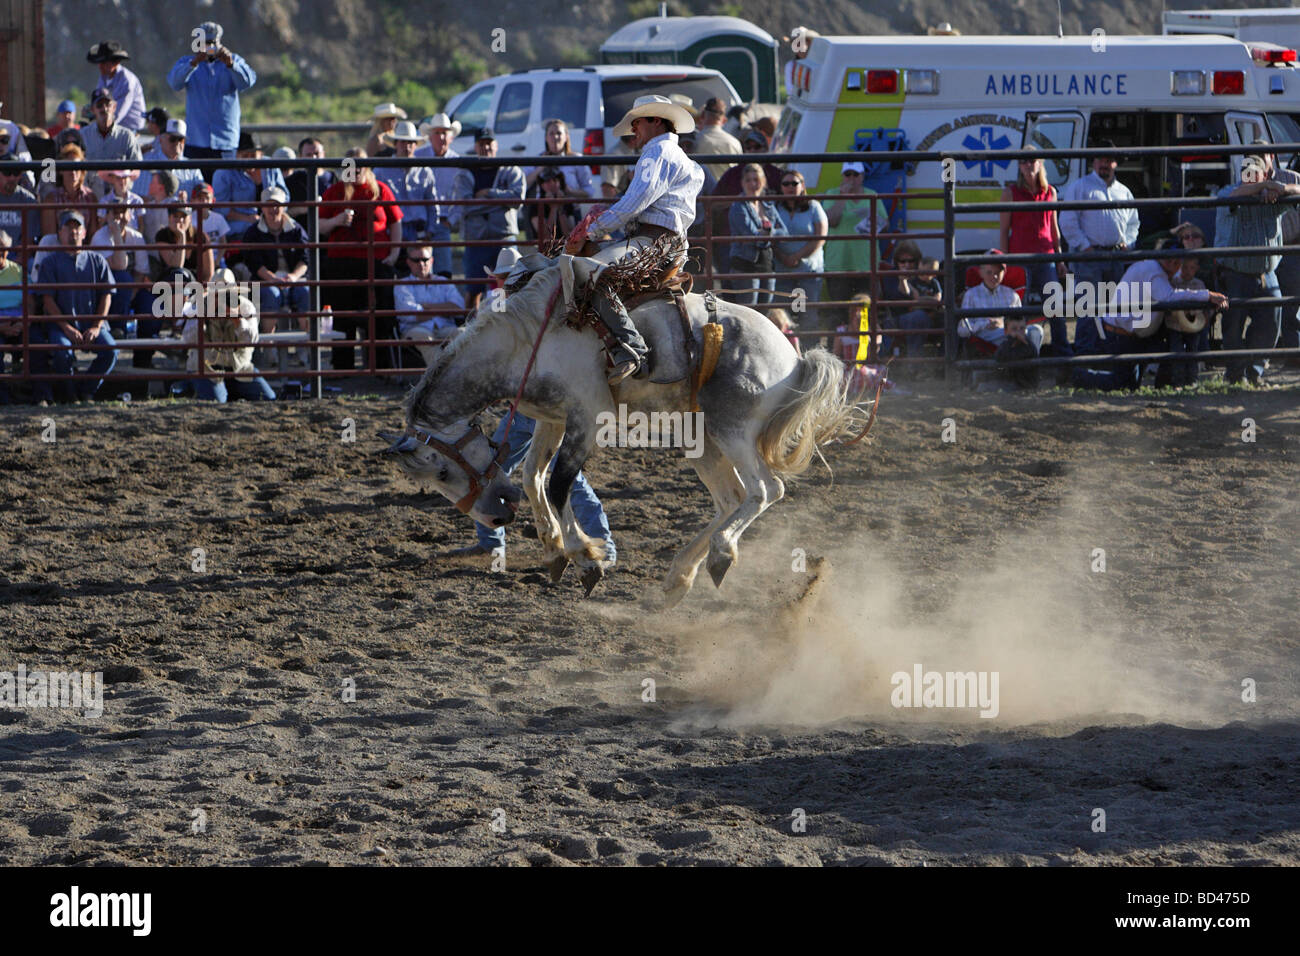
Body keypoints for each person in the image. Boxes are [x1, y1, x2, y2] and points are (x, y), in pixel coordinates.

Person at [443, 266, 616, 565]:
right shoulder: (517, 308)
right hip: (526, 407)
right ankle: (492, 545)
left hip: (543, 406)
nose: (503, 281)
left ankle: (602, 544)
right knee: (511, 471)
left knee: (560, 476)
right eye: (501, 276)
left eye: (506, 275)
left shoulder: (525, 310)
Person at [567, 95, 704, 383]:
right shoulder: (675, 156)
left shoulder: (658, 153)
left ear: (655, 121)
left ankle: (631, 349)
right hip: (663, 243)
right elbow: (636, 203)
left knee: (589, 272)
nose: (634, 131)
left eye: (637, 123)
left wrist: (591, 230)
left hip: (653, 245)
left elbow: (633, 205)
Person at [1073, 239, 1227, 391]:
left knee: (1167, 342)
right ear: (1161, 257)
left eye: (1176, 260)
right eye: (1169, 259)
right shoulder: (1154, 272)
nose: (1172, 263)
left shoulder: (1152, 267)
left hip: (1132, 333)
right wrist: (1207, 295)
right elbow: (1168, 297)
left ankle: (1166, 384)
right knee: (1122, 384)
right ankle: (1080, 376)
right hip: (1123, 335)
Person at [1214, 153, 1300, 386]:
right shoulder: (1230, 192)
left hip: (1265, 272)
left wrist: (1279, 189)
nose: (1250, 177)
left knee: (1270, 324)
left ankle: (1253, 373)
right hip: (1235, 272)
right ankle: (1234, 376)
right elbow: (1233, 196)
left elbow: (1299, 190)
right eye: (1247, 172)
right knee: (1232, 326)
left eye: (1256, 173)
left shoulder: (1271, 198)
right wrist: (1264, 186)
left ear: (1265, 172)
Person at [319, 148, 404, 371]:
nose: (355, 171)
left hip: (376, 261)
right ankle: (343, 367)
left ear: (367, 167)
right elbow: (319, 225)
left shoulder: (381, 190)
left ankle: (382, 367)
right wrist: (336, 220)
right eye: (350, 166)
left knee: (381, 315)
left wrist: (394, 253)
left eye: (359, 166)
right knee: (343, 315)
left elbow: (395, 223)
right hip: (342, 261)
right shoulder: (335, 191)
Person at [33, 210, 117, 403]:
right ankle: (71, 393)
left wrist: (97, 325)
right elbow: (47, 300)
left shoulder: (97, 260)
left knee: (111, 349)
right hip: (62, 325)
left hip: (91, 323)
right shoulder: (50, 262)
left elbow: (107, 295)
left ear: (84, 232)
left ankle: (86, 390)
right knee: (62, 351)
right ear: (59, 233)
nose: (73, 232)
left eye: (77, 227)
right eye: (68, 228)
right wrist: (66, 327)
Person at [1000, 149, 1068, 352]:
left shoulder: (1051, 192)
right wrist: (1005, 262)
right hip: (1019, 257)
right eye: (1023, 162)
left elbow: (1054, 229)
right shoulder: (1010, 192)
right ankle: (1017, 350)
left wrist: (1060, 259)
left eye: (1032, 160)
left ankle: (1062, 350)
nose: (1028, 165)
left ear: (1040, 164)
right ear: (1019, 167)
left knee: (1055, 305)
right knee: (1019, 308)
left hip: (1046, 256)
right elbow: (1004, 230)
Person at [1058, 141, 1139, 312]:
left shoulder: (1124, 192)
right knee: (1089, 312)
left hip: (1116, 257)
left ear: (1115, 163)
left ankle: (1108, 339)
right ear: (1093, 162)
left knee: (1114, 311)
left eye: (1109, 160)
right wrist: (1084, 246)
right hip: (1088, 259)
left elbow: (1133, 223)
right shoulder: (1079, 187)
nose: (1104, 164)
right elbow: (1067, 221)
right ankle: (1088, 340)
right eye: (1100, 159)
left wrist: (1128, 243)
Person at [166, 21, 257, 161]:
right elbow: (174, 83)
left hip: (225, 142)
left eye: (212, 42)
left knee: (224, 181)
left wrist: (231, 64)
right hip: (196, 141)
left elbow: (247, 83)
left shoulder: (233, 60)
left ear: (219, 42)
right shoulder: (188, 62)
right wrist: (194, 62)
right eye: (205, 42)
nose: (209, 47)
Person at [183, 269, 275, 402]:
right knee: (217, 403)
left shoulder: (245, 306)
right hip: (207, 369)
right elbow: (187, 339)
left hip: (240, 368)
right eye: (218, 295)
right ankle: (221, 392)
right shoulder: (199, 305)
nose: (222, 299)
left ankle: (228, 392)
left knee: (268, 399)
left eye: (226, 295)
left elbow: (252, 340)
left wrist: (237, 319)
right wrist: (203, 316)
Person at [456, 129, 524, 309]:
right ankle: (472, 329)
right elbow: (464, 205)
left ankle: (503, 322)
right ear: (476, 146)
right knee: (473, 289)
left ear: (496, 145)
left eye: (489, 143)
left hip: (504, 238)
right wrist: (500, 202)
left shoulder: (510, 169)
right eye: (482, 144)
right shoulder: (465, 172)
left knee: (506, 287)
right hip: (477, 238)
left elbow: (518, 199)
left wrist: (487, 194)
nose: (486, 147)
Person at [823, 161, 889, 331]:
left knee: (865, 313)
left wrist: (871, 216)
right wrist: (842, 197)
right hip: (838, 264)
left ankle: (865, 354)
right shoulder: (832, 193)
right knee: (839, 314)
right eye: (848, 174)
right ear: (843, 176)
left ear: (862, 177)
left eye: (855, 174)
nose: (851, 179)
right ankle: (836, 354)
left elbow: (885, 225)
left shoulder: (871, 194)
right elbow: (831, 221)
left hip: (865, 265)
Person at [241, 186, 310, 342]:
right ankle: (269, 347)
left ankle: (306, 349)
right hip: (266, 279)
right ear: (262, 207)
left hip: (294, 278)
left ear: (283, 206)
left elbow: (306, 259)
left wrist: (292, 277)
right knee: (271, 295)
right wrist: (273, 279)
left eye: (276, 204)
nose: (273, 209)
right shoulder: (253, 233)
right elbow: (254, 263)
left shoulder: (296, 229)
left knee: (305, 293)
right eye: (268, 205)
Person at [958, 249, 1041, 358]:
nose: (994, 276)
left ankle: (1030, 365)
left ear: (1005, 273)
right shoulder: (971, 295)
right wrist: (985, 324)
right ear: (980, 272)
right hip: (985, 336)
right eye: (989, 272)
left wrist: (1006, 325)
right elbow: (962, 330)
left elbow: (1021, 321)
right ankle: (1024, 365)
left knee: (1036, 330)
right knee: (1015, 335)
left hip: (1009, 332)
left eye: (998, 272)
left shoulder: (1012, 295)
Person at [395, 243, 466, 365]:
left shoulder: (443, 281)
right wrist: (444, 309)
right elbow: (410, 314)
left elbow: (459, 307)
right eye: (416, 260)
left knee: (464, 334)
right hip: (415, 329)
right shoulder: (402, 284)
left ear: (431, 260)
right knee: (425, 337)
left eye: (425, 259)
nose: (421, 264)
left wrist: (426, 306)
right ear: (408, 262)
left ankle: (463, 376)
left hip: (444, 327)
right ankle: (440, 378)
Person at [726, 163, 787, 305]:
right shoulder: (738, 206)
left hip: (766, 262)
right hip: (745, 264)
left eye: (756, 179)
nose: (753, 184)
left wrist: (767, 232)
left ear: (763, 182)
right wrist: (768, 234)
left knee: (766, 307)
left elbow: (784, 233)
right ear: (742, 183)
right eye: (748, 180)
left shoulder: (768, 205)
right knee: (749, 308)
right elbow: (752, 237)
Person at [774, 167, 827, 326]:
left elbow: (821, 236)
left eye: (794, 183)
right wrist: (783, 257)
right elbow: (769, 236)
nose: (790, 187)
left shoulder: (813, 207)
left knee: (808, 314)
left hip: (808, 270)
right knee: (781, 315)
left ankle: (808, 347)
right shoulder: (775, 208)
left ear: (802, 186)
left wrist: (796, 257)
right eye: (786, 183)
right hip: (782, 269)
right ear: (781, 187)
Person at [90, 194, 150, 335]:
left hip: (129, 291)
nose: (119, 217)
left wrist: (130, 296)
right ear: (107, 216)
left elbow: (141, 272)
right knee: (122, 277)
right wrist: (116, 234)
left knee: (149, 301)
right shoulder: (100, 237)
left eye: (123, 212)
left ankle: (145, 348)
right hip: (105, 292)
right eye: (115, 213)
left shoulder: (137, 237)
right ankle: (117, 328)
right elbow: (120, 264)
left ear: (129, 215)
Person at [413, 114, 464, 278]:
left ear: (451, 137)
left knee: (443, 273)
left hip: (442, 222)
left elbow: (462, 196)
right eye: (437, 133)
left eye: (445, 133)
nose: (441, 137)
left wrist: (451, 220)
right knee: (417, 269)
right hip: (419, 222)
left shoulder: (458, 162)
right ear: (430, 136)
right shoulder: (417, 157)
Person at [878, 238, 942, 365]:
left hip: (929, 314)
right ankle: (914, 366)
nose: (907, 264)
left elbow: (937, 297)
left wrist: (922, 301)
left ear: (918, 261)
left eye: (911, 261)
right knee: (918, 318)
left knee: (948, 318)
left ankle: (944, 364)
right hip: (897, 318)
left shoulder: (925, 275)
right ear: (897, 261)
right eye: (902, 261)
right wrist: (905, 283)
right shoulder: (891, 275)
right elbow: (897, 298)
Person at [214, 132, 287, 241]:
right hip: (238, 227)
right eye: (244, 155)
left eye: (253, 155)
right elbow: (221, 209)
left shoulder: (271, 167)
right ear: (237, 155)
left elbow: (284, 195)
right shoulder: (224, 173)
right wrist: (248, 219)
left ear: (261, 154)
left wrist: (273, 214)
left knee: (291, 229)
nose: (249, 160)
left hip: (273, 221)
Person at [375, 121, 439, 242]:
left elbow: (432, 204)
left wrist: (430, 230)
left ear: (416, 145)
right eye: (403, 142)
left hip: (419, 229)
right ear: (395, 144)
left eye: (410, 142)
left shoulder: (425, 171)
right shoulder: (381, 171)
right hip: (392, 228)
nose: (407, 147)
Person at [80, 87, 141, 198]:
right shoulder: (83, 136)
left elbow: (137, 170)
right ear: (93, 110)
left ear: (114, 107)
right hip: (90, 199)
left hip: (119, 200)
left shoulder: (127, 137)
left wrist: (124, 187)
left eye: (108, 104)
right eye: (99, 106)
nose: (104, 109)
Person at [524, 119, 597, 205]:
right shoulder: (538, 159)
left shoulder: (576, 159)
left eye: (559, 133)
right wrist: (541, 167)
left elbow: (589, 192)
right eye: (551, 134)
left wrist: (569, 191)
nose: (555, 137)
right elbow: (523, 184)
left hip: (570, 211)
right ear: (546, 138)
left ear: (566, 137)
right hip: (543, 211)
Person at [133, 118, 203, 201]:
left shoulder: (192, 168)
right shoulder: (145, 162)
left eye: (181, 140)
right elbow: (137, 199)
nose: (177, 143)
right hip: (151, 213)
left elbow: (201, 199)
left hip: (183, 213)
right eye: (172, 139)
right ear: (160, 139)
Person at [41, 144, 100, 238]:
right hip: (58, 251)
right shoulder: (51, 199)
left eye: (77, 167)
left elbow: (93, 237)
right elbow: (49, 238)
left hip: (84, 250)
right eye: (69, 166)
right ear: (61, 171)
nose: (73, 172)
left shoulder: (90, 197)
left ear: (82, 171)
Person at [86, 40, 146, 133]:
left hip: (130, 129)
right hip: (111, 125)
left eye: (104, 62)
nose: (100, 66)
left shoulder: (127, 81)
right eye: (99, 62)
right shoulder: (103, 77)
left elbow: (117, 113)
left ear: (116, 63)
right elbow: (98, 101)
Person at [529, 167, 580, 253]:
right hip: (545, 252)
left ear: (560, 183)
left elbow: (568, 235)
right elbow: (545, 236)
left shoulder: (567, 203)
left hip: (565, 250)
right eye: (548, 181)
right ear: (542, 185)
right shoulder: (536, 205)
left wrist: (560, 209)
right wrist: (554, 208)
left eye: (555, 180)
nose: (552, 184)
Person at [285, 137, 335, 220]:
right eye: (309, 155)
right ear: (301, 156)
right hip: (303, 230)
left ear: (323, 154)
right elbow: (283, 212)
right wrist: (303, 208)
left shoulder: (333, 178)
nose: (313, 158)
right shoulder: (292, 181)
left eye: (317, 153)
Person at [693, 97, 742, 180]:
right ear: (724, 119)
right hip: (729, 191)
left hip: (702, 191)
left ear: (702, 115)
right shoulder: (735, 142)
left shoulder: (694, 141)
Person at [0, 154, 39, 257]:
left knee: (31, 266)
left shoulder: (29, 200)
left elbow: (28, 241)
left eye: (16, 172)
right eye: (7, 172)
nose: (12, 177)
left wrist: (15, 268)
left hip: (17, 259)